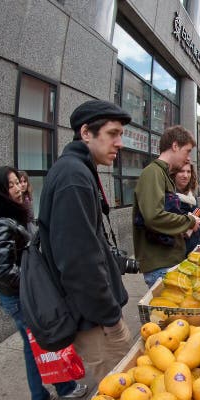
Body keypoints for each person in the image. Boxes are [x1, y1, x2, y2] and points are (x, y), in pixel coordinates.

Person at [0, 166, 86, 400]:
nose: (18, 188)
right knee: (45, 340)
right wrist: (33, 284)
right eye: (11, 186)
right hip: (20, 298)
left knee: (33, 344)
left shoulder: (10, 217)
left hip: (18, 296)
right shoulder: (0, 225)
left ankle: (40, 396)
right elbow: (4, 271)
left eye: (18, 182)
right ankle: (65, 387)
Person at [38, 100, 134, 374]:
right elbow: (79, 261)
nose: (119, 143)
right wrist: (110, 317)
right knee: (123, 391)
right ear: (86, 133)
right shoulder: (74, 176)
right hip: (96, 322)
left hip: (94, 315)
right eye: (112, 134)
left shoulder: (76, 169)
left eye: (121, 135)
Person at [132, 125, 200, 288]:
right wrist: (189, 221)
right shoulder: (153, 173)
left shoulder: (162, 174)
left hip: (168, 261)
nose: (188, 158)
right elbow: (154, 216)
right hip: (160, 265)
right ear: (175, 146)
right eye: (187, 151)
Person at [173, 162, 200, 253]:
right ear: (173, 174)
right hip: (179, 250)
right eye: (181, 171)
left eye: (188, 171)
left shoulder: (192, 196)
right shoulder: (169, 197)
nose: (185, 175)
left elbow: (198, 223)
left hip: (195, 244)